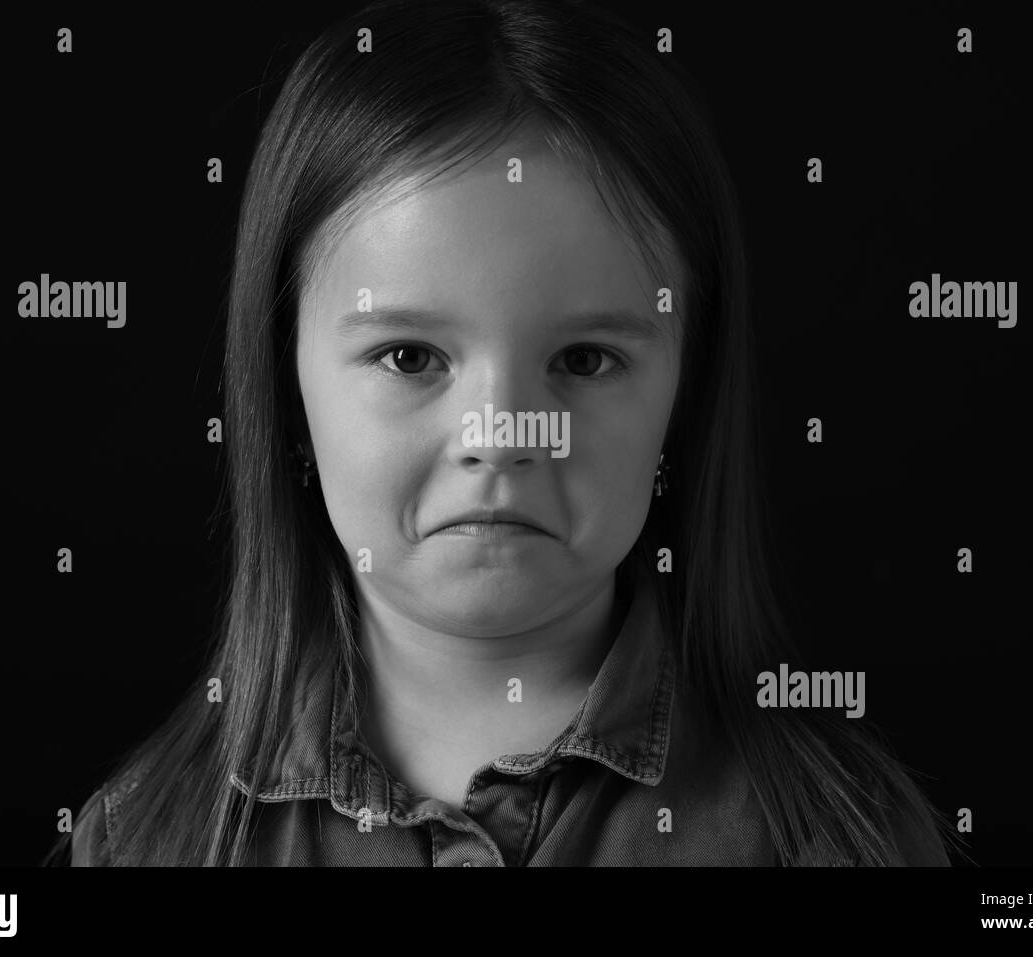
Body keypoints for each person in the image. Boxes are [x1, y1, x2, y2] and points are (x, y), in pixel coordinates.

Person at [49, 0, 960, 867]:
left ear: (686, 392)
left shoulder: (836, 839)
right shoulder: (146, 843)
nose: (501, 434)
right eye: (409, 357)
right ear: (288, 395)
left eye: (585, 360)